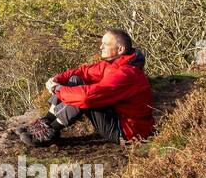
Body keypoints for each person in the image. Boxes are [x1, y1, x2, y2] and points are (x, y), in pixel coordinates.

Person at [16, 29, 154, 147]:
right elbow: (82, 72)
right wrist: (58, 79)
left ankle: (51, 131)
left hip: (127, 132)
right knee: (76, 80)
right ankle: (46, 121)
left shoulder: (126, 73)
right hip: (117, 116)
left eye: (105, 44)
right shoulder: (115, 64)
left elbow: (87, 97)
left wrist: (57, 89)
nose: (101, 47)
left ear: (120, 49)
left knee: (87, 97)